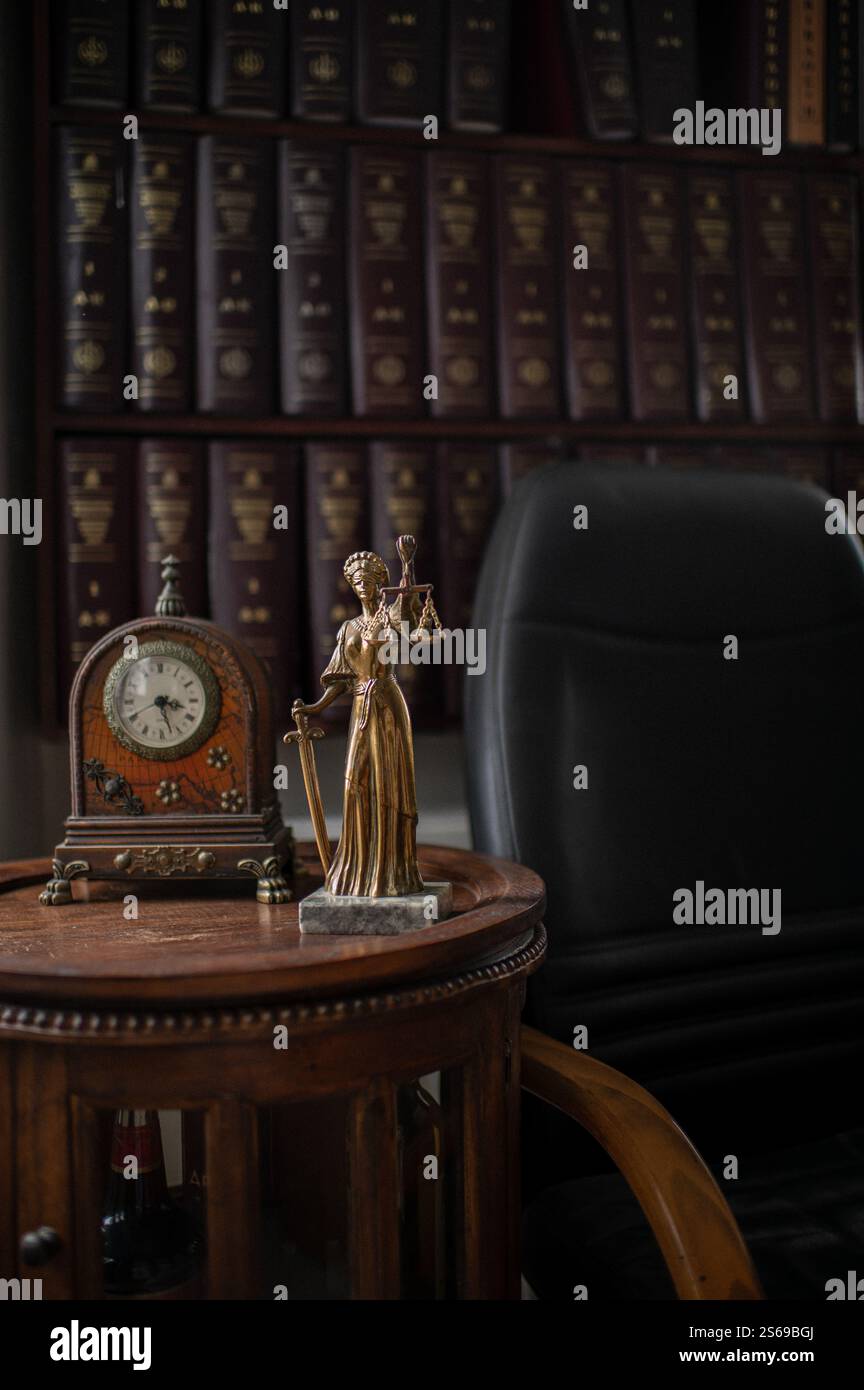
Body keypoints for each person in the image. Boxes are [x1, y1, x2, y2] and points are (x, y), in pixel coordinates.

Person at [292, 550, 423, 898]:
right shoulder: (348, 628)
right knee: (355, 784)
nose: (362, 585)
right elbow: (341, 679)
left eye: (368, 579)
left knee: (388, 785)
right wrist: (314, 708)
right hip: (361, 705)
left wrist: (407, 569)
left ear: (381, 583)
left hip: (388, 704)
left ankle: (391, 873)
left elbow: (409, 621)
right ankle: (358, 873)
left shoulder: (389, 619)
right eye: (356, 581)